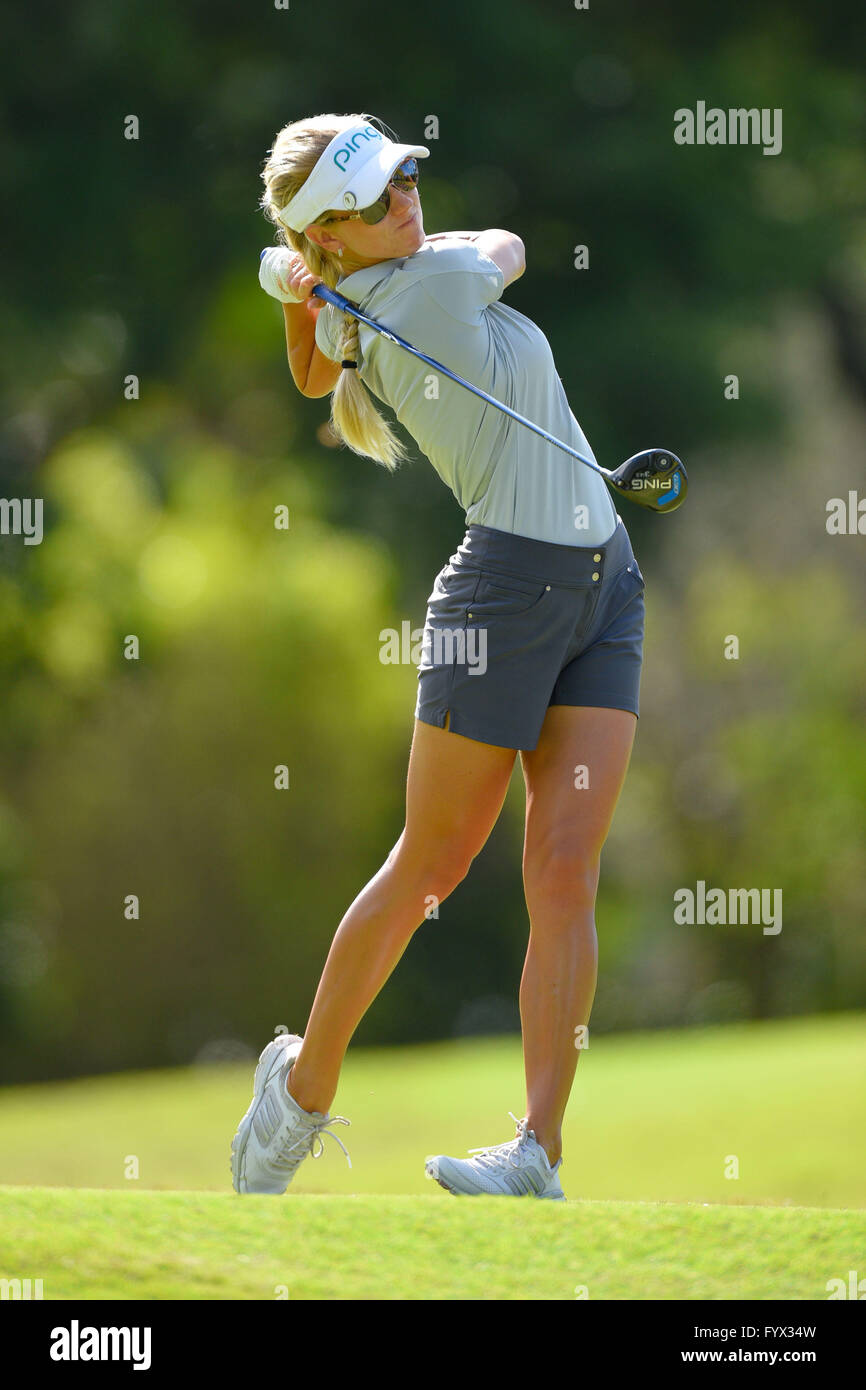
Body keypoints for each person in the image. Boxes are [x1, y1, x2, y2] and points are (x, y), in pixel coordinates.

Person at [231, 113, 646, 1201]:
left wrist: (300, 286)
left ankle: (537, 1154)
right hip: (501, 595)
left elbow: (318, 376)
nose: (404, 203)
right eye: (372, 203)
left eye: (407, 177)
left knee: (564, 871)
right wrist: (305, 285)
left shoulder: (372, 291)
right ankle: (299, 1093)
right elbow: (507, 242)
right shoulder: (429, 285)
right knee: (431, 866)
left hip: (604, 578)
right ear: (328, 235)